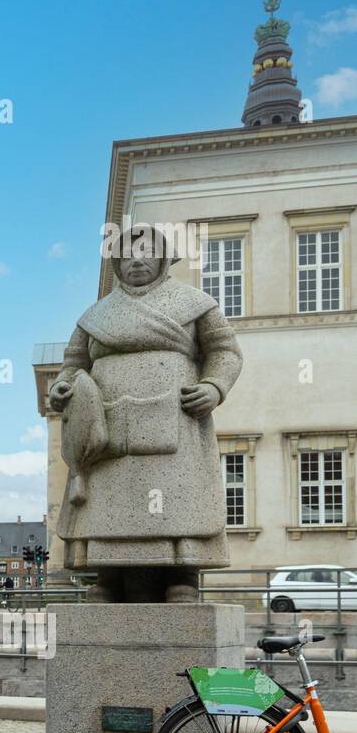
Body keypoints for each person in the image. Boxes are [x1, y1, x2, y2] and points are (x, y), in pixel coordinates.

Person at [49, 223, 242, 602]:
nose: (136, 261)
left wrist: (213, 386)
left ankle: (181, 577)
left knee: (175, 502)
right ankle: (107, 577)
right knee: (111, 503)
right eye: (126, 256)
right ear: (116, 265)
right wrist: (63, 385)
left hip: (176, 418)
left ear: (164, 259)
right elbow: (73, 363)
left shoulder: (194, 303)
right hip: (107, 425)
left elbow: (225, 351)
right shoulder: (95, 315)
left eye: (145, 253)